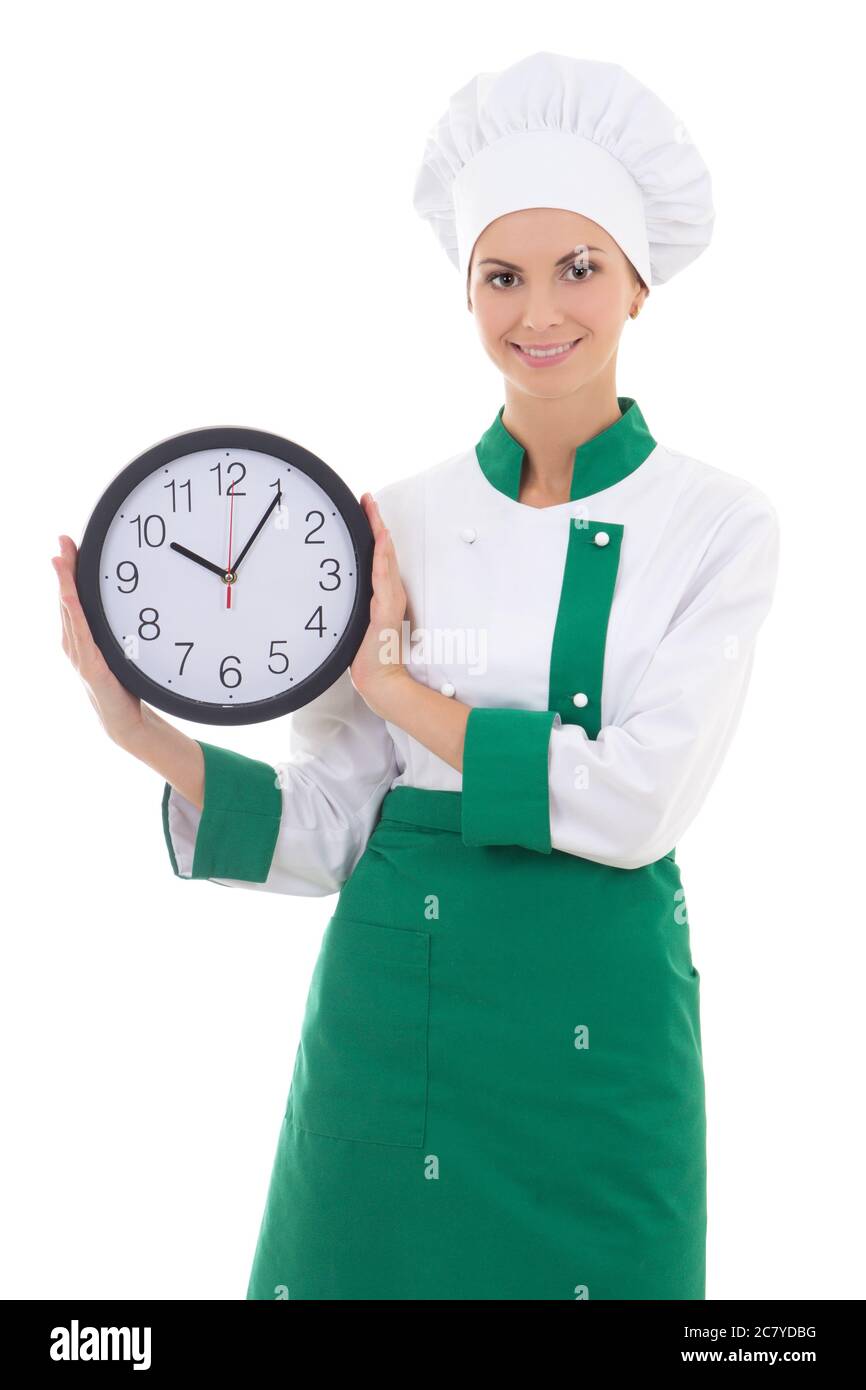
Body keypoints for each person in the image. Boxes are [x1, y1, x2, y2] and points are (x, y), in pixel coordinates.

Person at [52, 52, 780, 1300]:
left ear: (638, 284)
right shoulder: (387, 517)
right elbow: (332, 822)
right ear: (464, 290)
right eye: (501, 275)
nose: (537, 312)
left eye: (577, 269)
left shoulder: (716, 523)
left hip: (597, 1047)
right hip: (394, 1022)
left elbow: (635, 804)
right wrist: (147, 739)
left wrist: (397, 688)